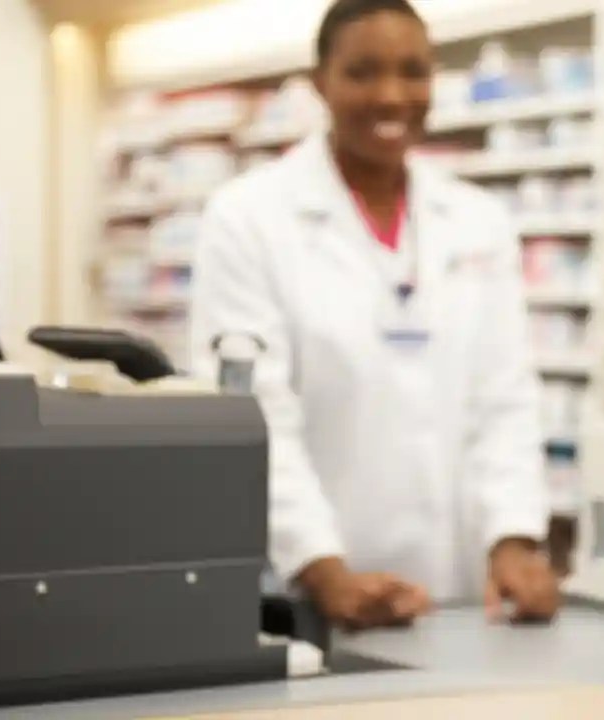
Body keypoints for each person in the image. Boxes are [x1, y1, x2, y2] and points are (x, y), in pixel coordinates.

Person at [189, 0, 561, 631]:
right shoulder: (248, 218)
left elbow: (505, 400)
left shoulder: (479, 222)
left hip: (456, 600)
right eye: (362, 72)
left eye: (413, 71)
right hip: (306, 599)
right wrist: (322, 569)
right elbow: (254, 415)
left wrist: (514, 537)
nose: (391, 95)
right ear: (320, 83)